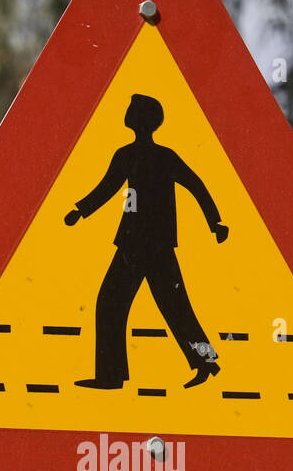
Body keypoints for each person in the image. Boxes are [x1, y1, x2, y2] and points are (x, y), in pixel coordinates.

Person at [64, 93, 229, 388]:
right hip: (147, 243)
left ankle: (113, 376)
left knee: (116, 303)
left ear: (141, 119)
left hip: (139, 245)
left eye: (133, 110)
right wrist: (80, 210)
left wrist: (215, 222)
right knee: (171, 305)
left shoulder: (154, 156)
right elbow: (107, 188)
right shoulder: (132, 155)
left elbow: (195, 184)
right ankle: (206, 363)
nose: (128, 113)